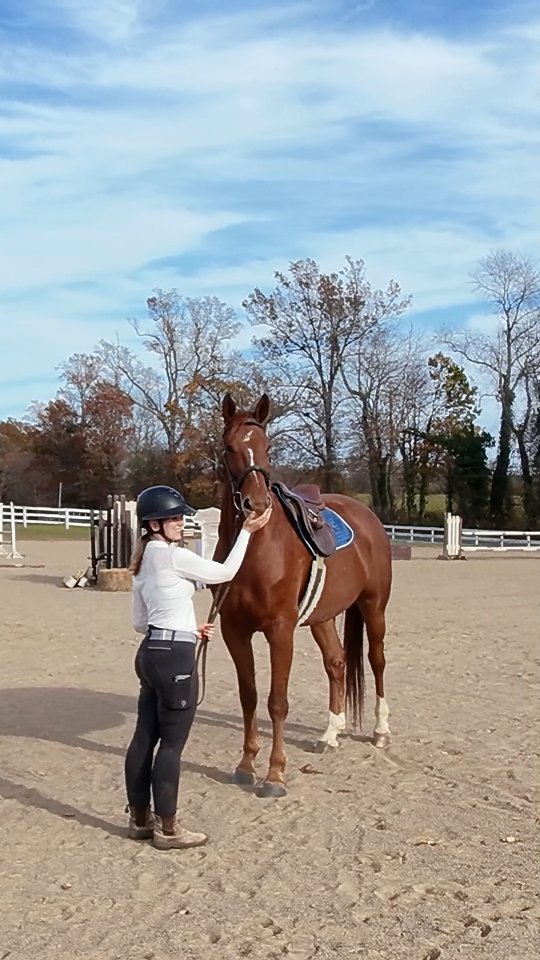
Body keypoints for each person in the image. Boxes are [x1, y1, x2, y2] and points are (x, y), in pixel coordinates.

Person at [124, 484, 271, 850]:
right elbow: (224, 572)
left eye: (179, 516)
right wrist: (246, 533)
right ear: (154, 524)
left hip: (151, 652)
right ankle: (169, 829)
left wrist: (188, 627)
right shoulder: (173, 555)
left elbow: (141, 622)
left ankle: (140, 819)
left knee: (144, 737)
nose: (180, 522)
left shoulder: (142, 562)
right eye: (173, 518)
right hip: (175, 657)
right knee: (171, 746)